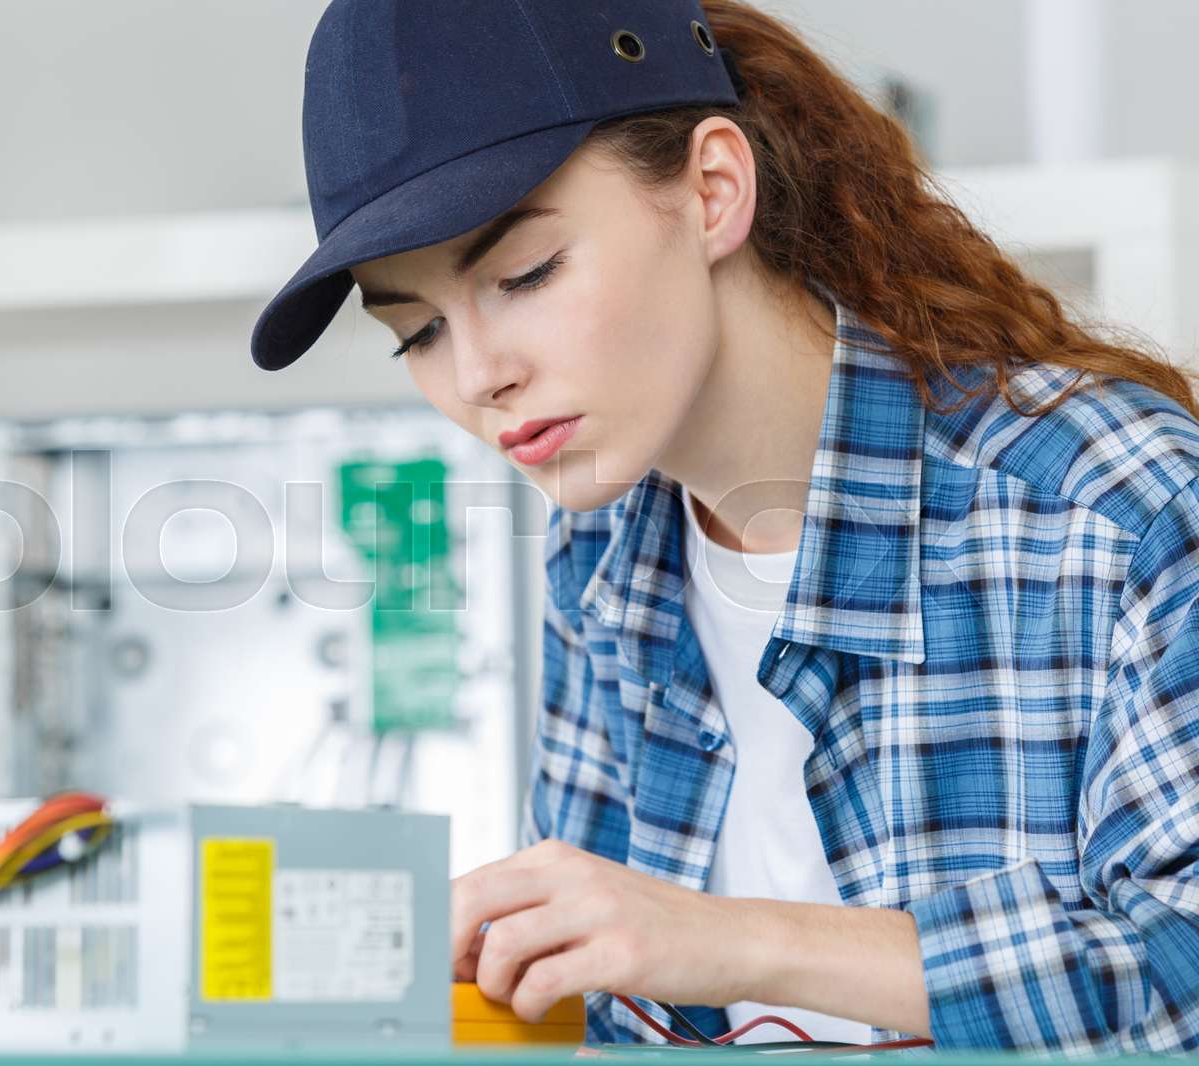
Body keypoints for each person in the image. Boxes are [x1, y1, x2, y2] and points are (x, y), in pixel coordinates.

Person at [249, 0, 1199, 1053]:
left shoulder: (1108, 504)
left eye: (523, 275)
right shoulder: (599, 558)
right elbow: (617, 1017)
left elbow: (1185, 968)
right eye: (416, 332)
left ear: (711, 190)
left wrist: (727, 941)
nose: (477, 376)